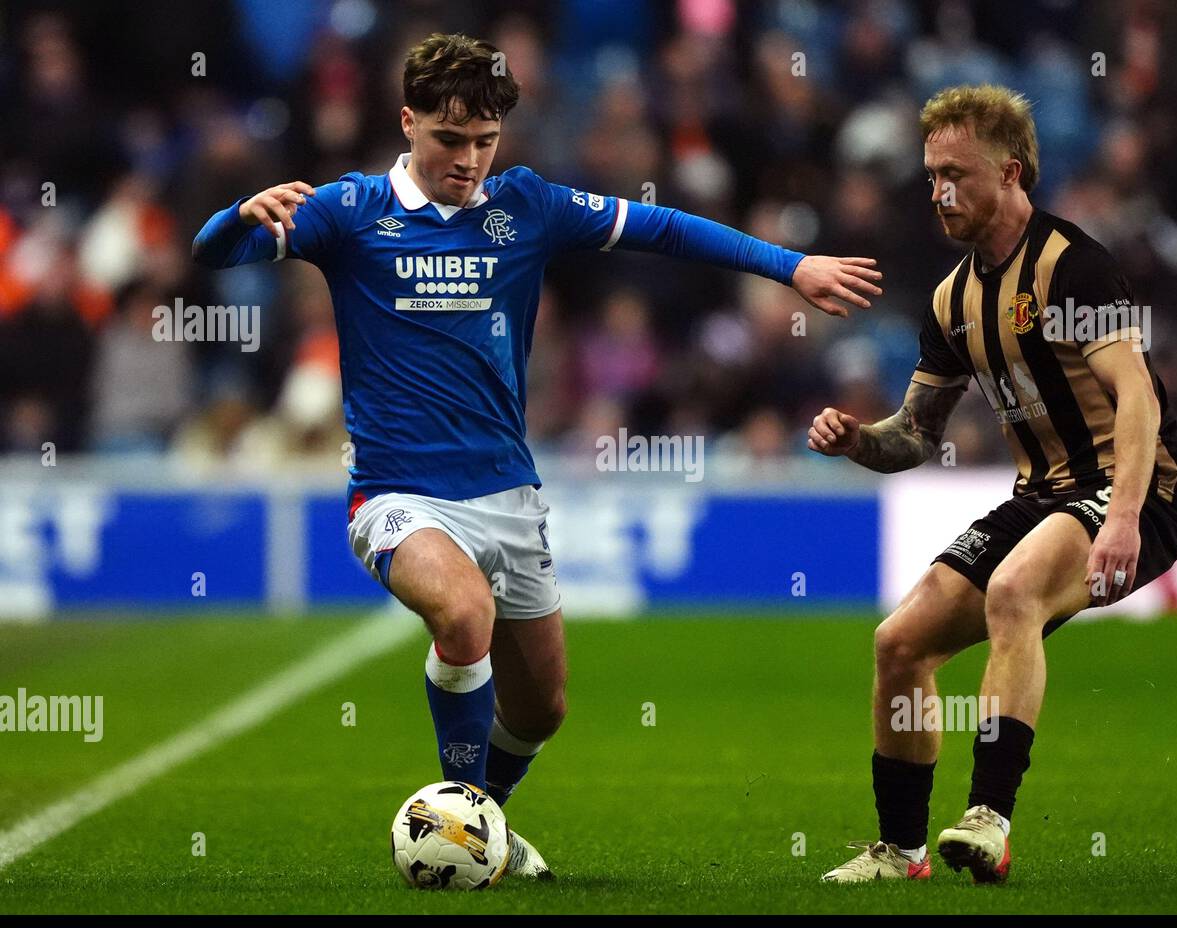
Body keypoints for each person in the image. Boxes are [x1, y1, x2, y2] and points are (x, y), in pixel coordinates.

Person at [193, 31, 882, 879]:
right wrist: (238, 216)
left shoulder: (526, 205)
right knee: (463, 615)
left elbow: (662, 230)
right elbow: (213, 252)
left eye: (485, 141)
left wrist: (791, 266)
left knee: (543, 707)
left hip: (510, 495)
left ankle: (486, 822)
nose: (470, 160)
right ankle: (465, 816)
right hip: (397, 496)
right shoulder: (348, 211)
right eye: (450, 140)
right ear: (407, 122)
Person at [809, 84, 1177, 884]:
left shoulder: (1075, 267)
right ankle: (901, 851)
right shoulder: (953, 302)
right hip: (1041, 494)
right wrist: (856, 440)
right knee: (898, 643)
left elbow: (1139, 400)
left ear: (1011, 172)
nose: (940, 193)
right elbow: (914, 437)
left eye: (957, 173)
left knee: (1014, 592)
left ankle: (988, 818)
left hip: (1134, 491)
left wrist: (1121, 519)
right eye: (930, 176)